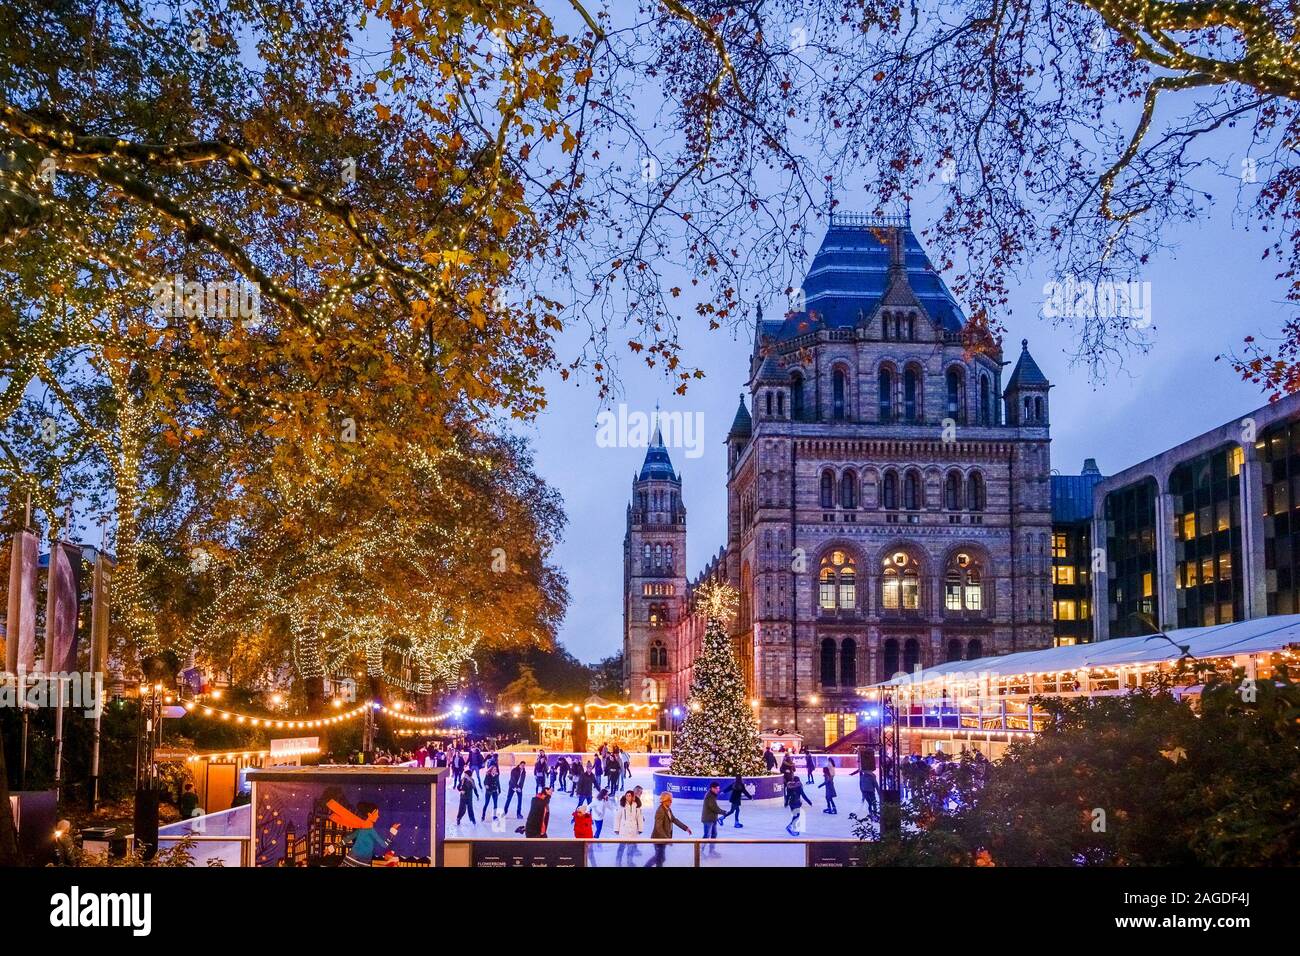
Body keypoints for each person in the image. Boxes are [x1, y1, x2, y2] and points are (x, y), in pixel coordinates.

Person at [646, 792, 691, 867]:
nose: (671, 802)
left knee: (660, 858)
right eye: (670, 800)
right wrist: (666, 839)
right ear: (665, 800)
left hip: (663, 839)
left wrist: (685, 828)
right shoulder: (660, 811)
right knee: (660, 858)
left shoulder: (668, 809)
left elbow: (674, 820)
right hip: (658, 839)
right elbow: (658, 827)